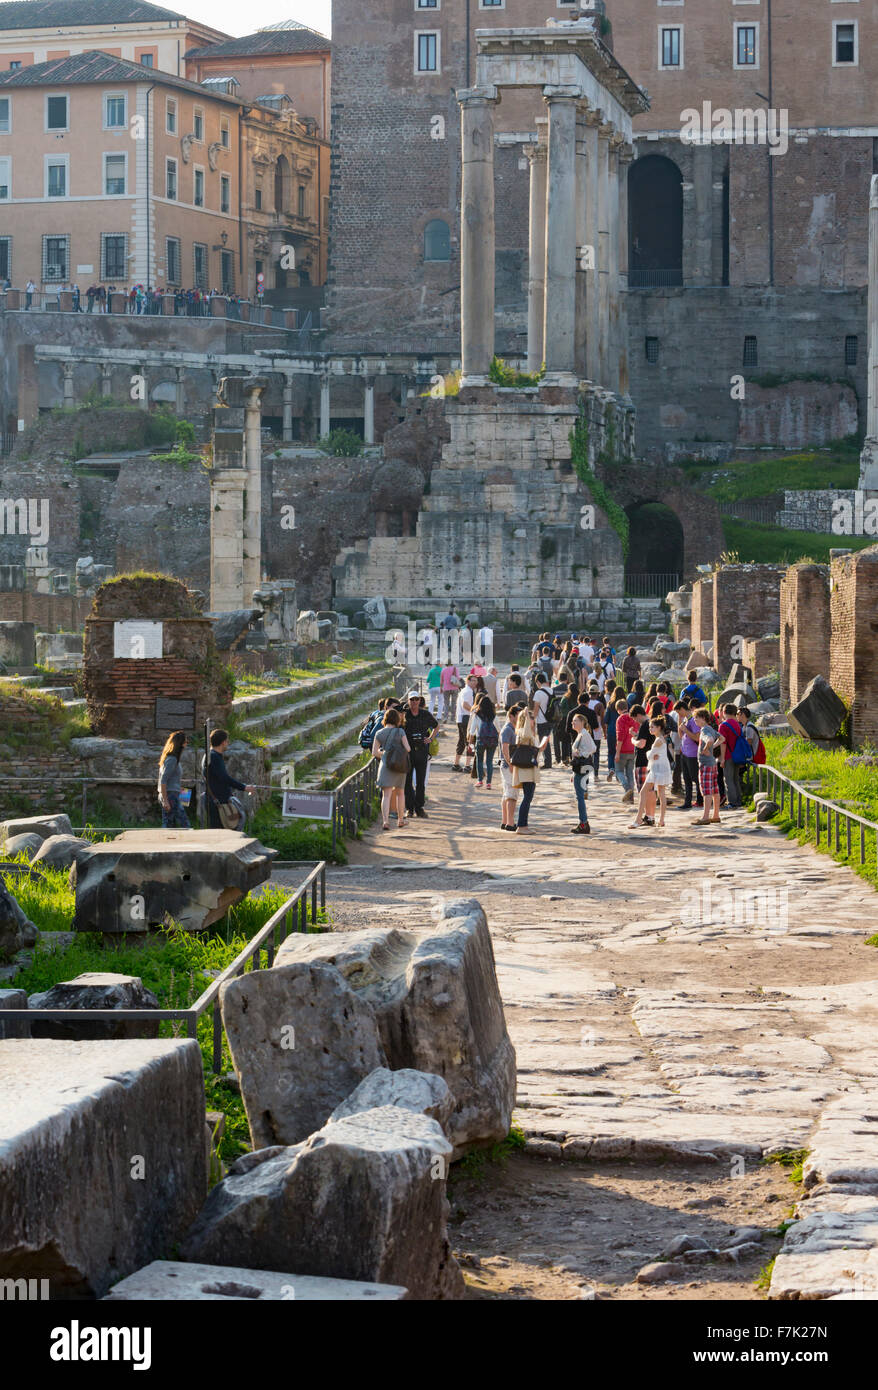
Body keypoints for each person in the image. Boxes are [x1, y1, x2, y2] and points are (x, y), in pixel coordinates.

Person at [203, 728, 255, 829]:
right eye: (227, 741)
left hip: (216, 799)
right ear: (223, 742)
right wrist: (244, 787)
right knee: (220, 833)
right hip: (217, 801)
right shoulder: (214, 757)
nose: (228, 743)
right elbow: (224, 778)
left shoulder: (211, 755)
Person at [511, 708, 549, 833]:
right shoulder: (523, 731)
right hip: (525, 769)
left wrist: (542, 746)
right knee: (527, 797)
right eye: (531, 718)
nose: (533, 720)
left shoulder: (532, 733)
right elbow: (526, 735)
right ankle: (522, 826)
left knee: (529, 796)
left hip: (530, 767)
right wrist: (526, 715)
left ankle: (524, 825)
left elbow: (534, 749)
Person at [372, 706, 410, 830]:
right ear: (397, 719)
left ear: (385, 719)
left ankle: (385, 821)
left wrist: (385, 753)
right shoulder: (400, 732)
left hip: (386, 765)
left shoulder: (379, 733)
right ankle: (400, 820)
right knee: (400, 793)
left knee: (386, 795)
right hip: (399, 765)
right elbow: (408, 748)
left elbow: (374, 752)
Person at [403, 689, 437, 818]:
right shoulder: (404, 714)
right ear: (408, 700)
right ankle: (409, 808)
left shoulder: (425, 714)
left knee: (421, 781)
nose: (414, 702)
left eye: (416, 699)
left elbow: (436, 725)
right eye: (412, 699)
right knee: (407, 781)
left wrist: (431, 738)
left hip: (422, 750)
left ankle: (419, 807)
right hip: (408, 751)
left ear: (420, 700)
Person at [674, 697, 704, 812]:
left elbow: (697, 736)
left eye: (678, 712)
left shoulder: (693, 720)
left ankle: (700, 799)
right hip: (685, 753)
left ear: (682, 708)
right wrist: (680, 721)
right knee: (686, 778)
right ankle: (687, 801)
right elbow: (681, 735)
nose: (678, 714)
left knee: (695, 778)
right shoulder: (686, 720)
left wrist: (685, 730)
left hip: (692, 754)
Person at [643, 714, 672, 829]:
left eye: (652, 727)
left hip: (659, 768)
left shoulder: (658, 740)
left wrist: (649, 754)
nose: (650, 729)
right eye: (650, 727)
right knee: (661, 794)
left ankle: (661, 819)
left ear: (659, 728)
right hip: (662, 767)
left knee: (661, 794)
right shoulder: (660, 739)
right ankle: (661, 819)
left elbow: (649, 755)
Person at [694, 706, 722, 824]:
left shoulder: (705, 730)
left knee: (706, 790)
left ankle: (705, 817)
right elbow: (722, 738)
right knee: (715, 790)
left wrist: (706, 748)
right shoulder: (710, 728)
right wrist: (712, 747)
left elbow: (710, 739)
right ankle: (715, 815)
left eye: (696, 718)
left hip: (705, 764)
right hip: (712, 763)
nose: (695, 721)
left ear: (703, 718)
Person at [570, 713, 596, 835]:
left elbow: (593, 748)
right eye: (573, 721)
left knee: (580, 797)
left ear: (582, 722)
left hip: (582, 768)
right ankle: (583, 823)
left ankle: (583, 823)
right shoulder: (581, 734)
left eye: (575, 721)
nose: (572, 723)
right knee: (579, 797)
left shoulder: (584, 734)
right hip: (578, 769)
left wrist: (580, 754)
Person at [158, 730, 190, 828]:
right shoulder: (172, 759)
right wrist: (165, 800)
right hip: (170, 795)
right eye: (185, 741)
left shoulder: (173, 758)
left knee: (172, 824)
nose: (187, 743)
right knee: (181, 823)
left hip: (174, 794)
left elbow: (173, 779)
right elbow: (163, 780)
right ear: (181, 743)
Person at [717, 702, 745, 810]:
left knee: (728, 780)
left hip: (728, 755)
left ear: (724, 712)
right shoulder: (737, 724)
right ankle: (738, 800)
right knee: (735, 779)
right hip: (738, 755)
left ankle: (732, 802)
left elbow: (723, 743)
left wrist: (722, 758)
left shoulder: (723, 725)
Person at [469, 695, 498, 789]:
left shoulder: (476, 715)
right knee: (489, 761)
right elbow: (499, 729)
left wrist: (470, 741)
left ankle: (480, 781)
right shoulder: (494, 716)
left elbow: (472, 730)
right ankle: (489, 783)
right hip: (492, 741)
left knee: (479, 760)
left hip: (480, 740)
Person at [499, 704, 519, 831]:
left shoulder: (512, 728)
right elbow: (505, 748)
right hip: (508, 765)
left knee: (507, 794)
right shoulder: (508, 730)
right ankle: (510, 823)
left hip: (507, 764)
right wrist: (510, 763)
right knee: (512, 794)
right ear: (511, 716)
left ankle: (505, 821)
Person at [614, 697, 638, 802]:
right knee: (630, 773)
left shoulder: (620, 719)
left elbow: (620, 737)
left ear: (618, 710)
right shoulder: (633, 718)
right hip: (633, 748)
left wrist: (617, 752)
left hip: (623, 749)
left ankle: (627, 788)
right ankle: (631, 797)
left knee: (618, 771)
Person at [453, 672, 478, 772]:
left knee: (462, 742)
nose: (475, 682)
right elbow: (465, 704)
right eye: (473, 680)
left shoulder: (464, 690)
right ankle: (467, 766)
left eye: (476, 680)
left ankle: (456, 764)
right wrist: (475, 710)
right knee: (470, 741)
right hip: (466, 718)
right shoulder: (468, 691)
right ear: (468, 681)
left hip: (461, 718)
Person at [531, 672, 553, 770]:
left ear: (538, 682)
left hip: (541, 720)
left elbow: (536, 708)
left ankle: (547, 762)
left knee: (543, 742)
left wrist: (532, 719)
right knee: (547, 740)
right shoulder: (551, 690)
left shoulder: (538, 693)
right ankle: (548, 760)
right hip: (550, 719)